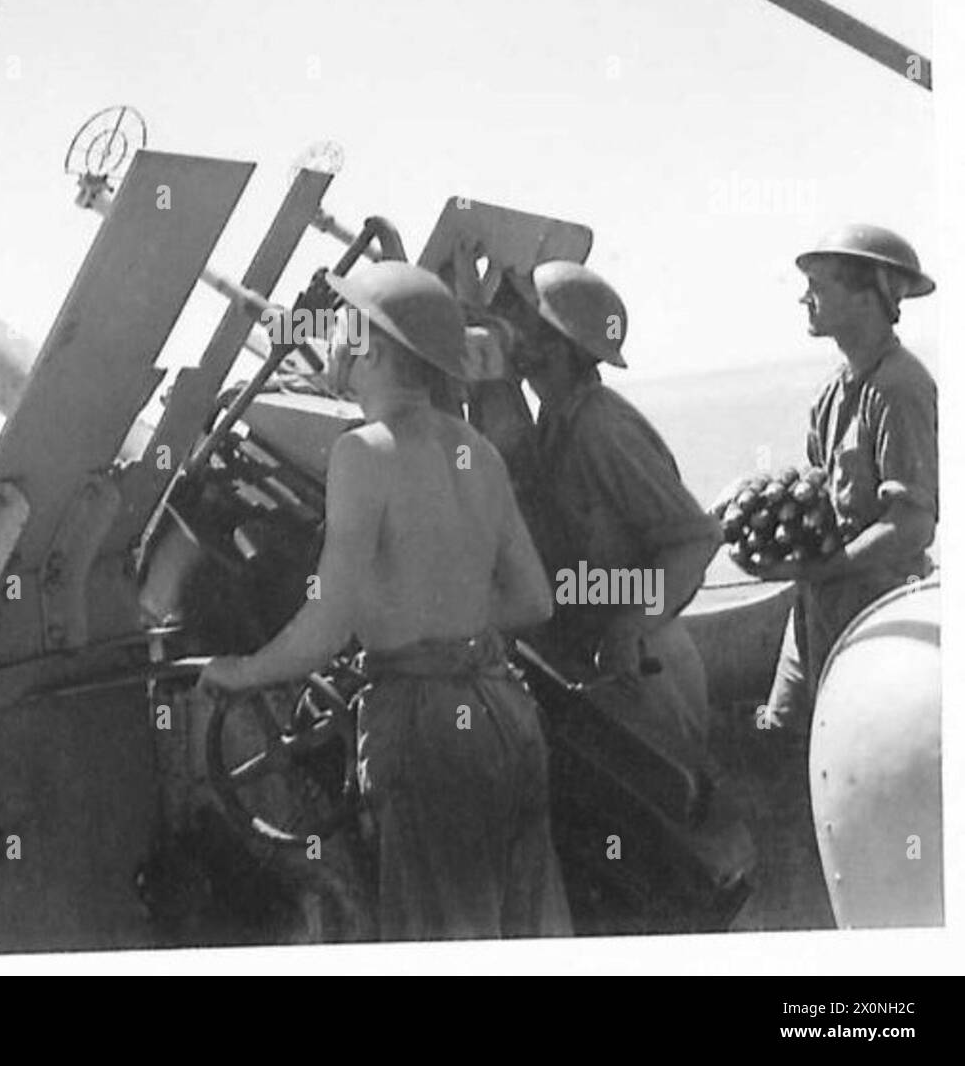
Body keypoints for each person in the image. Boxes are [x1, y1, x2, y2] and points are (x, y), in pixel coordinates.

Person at [199, 261, 571, 941]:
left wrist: (241, 672)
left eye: (346, 325)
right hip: (507, 716)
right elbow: (533, 599)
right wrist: (450, 628)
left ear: (368, 347)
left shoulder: (362, 454)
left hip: (427, 735)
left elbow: (327, 624)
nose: (335, 338)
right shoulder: (478, 450)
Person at [460, 251, 720, 752]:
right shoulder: (558, 420)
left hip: (648, 665)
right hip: (614, 657)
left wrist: (629, 628)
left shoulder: (602, 428)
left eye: (521, 321)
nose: (506, 330)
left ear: (556, 346)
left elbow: (697, 539)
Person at [753, 225, 937, 736]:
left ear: (867, 295)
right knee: (780, 732)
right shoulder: (832, 392)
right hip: (821, 605)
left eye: (819, 285)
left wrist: (822, 570)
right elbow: (819, 498)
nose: (803, 297)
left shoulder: (900, 388)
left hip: (880, 617)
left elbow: (913, 526)